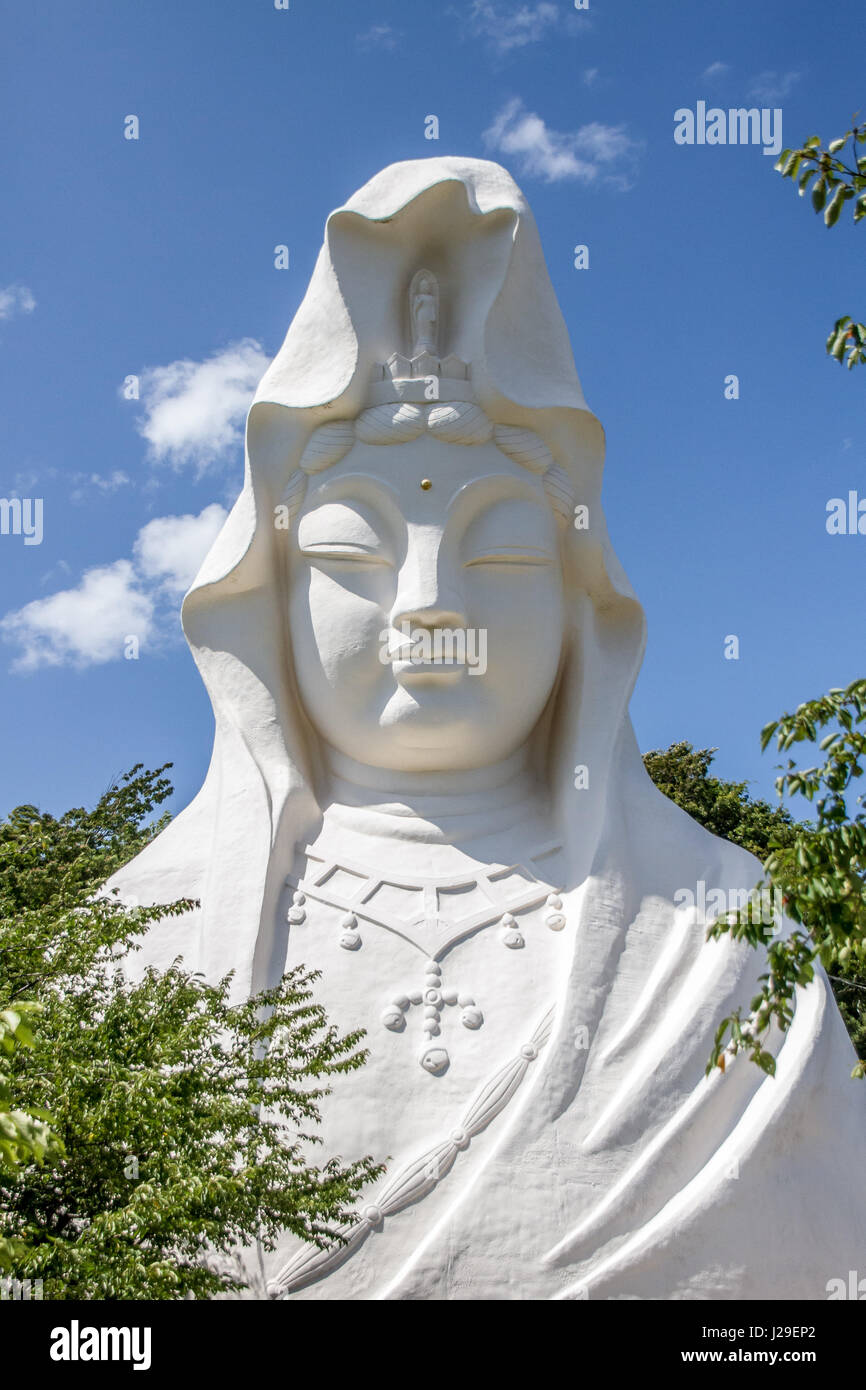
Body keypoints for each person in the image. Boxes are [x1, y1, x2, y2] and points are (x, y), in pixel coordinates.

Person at [111, 157, 866, 1301]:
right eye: (353, 554)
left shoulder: (726, 944)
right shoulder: (126, 949)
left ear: (577, 602)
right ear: (271, 596)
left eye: (502, 548)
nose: (427, 602)